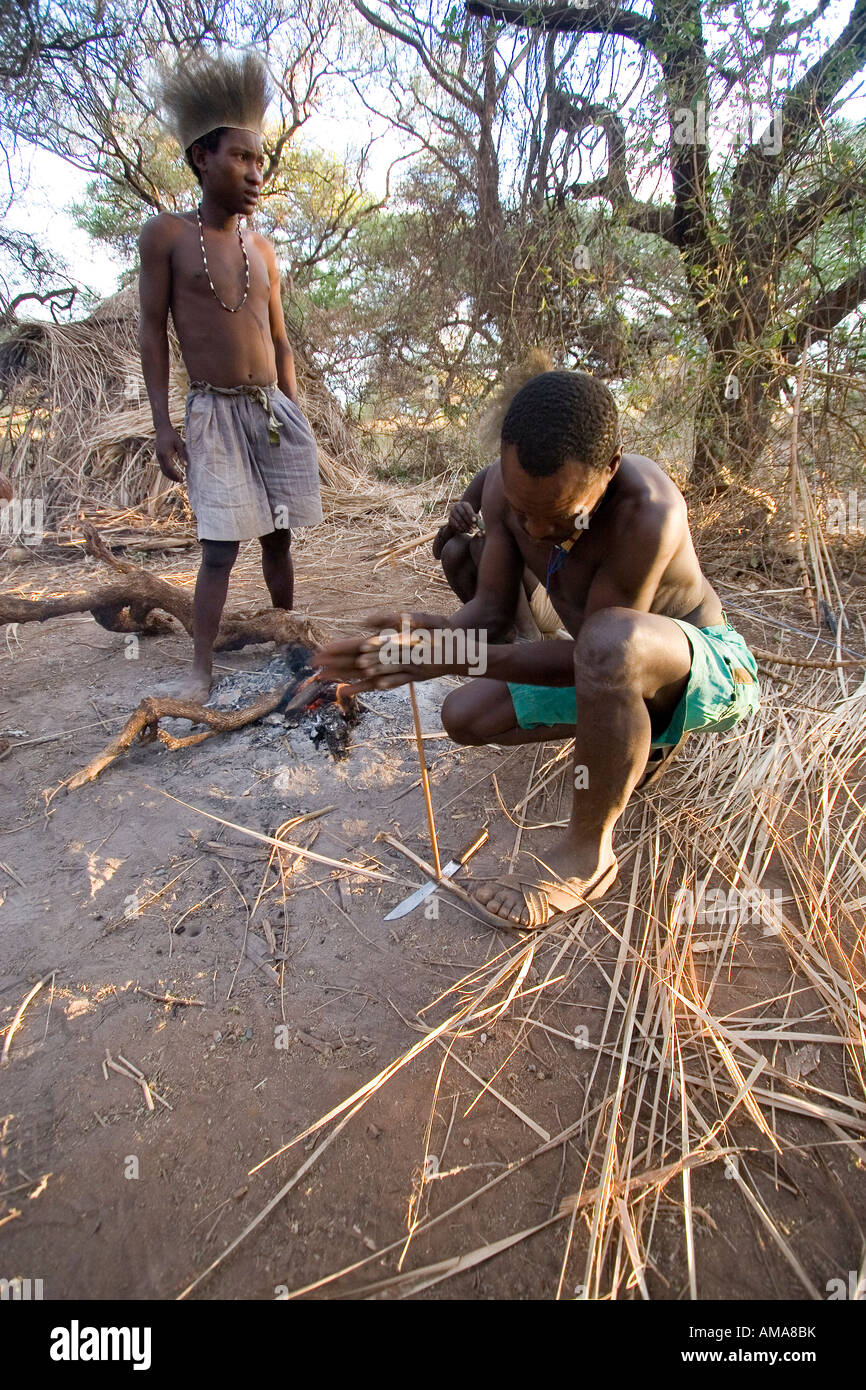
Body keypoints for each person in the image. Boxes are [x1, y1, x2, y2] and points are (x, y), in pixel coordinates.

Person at [316, 369, 760, 930]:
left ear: (611, 468)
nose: (535, 528)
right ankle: (629, 731)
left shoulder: (648, 510)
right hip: (606, 664)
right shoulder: (510, 490)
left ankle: (588, 855)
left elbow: (595, 653)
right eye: (523, 513)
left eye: (558, 514)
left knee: (607, 646)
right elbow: (491, 612)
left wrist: (456, 655)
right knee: (464, 715)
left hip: (709, 672)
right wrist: (431, 639)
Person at [139, 50, 322, 701]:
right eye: (241, 158)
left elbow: (281, 340)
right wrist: (163, 423)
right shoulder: (166, 236)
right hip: (214, 413)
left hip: (272, 411)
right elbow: (152, 333)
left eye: (259, 161)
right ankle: (201, 668)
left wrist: (295, 415)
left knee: (278, 537)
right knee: (220, 547)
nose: (254, 173)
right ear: (201, 158)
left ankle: (291, 642)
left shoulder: (264, 251)